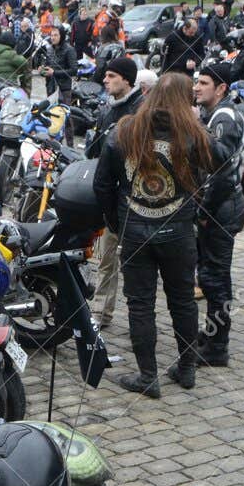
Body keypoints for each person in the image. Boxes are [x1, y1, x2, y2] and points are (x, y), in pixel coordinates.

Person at [94, 72, 214, 397]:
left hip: (135, 230)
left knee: (140, 304)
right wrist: (192, 211)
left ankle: (149, 375)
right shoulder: (195, 135)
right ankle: (186, 368)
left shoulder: (125, 131)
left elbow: (102, 184)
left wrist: (118, 222)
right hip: (178, 233)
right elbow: (210, 181)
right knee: (184, 302)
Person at [192, 62, 244, 368]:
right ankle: (213, 335)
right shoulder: (215, 114)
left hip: (221, 208)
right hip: (220, 206)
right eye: (196, 82)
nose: (197, 88)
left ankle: (217, 347)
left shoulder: (224, 116)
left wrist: (204, 211)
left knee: (215, 279)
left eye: (203, 83)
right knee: (213, 276)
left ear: (221, 88)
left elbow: (222, 169)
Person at [85, 57, 143, 328]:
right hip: (110, 197)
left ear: (127, 79)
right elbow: (96, 149)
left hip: (133, 200)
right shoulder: (109, 108)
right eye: (105, 76)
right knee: (107, 258)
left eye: (111, 76)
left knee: (134, 263)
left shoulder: (140, 110)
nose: (105, 81)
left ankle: (140, 316)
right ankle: (100, 311)